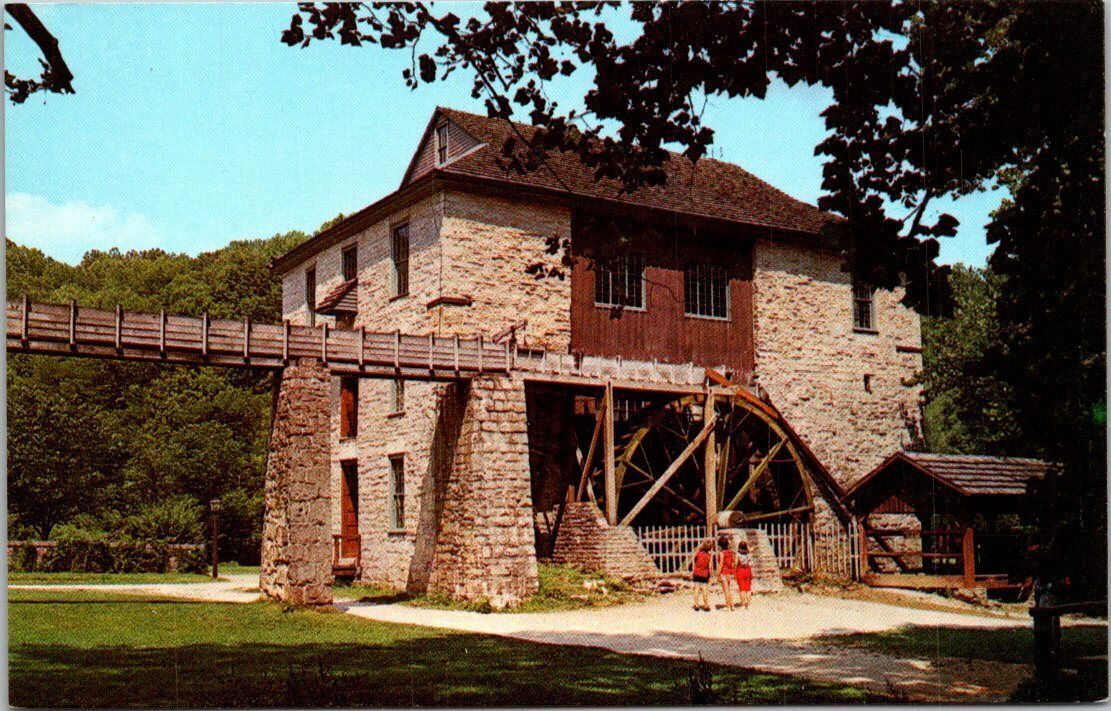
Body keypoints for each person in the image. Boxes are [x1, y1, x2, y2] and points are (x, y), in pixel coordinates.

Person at [691, 539, 714, 611]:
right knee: (704, 589)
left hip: (697, 572)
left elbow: (694, 560)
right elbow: (710, 566)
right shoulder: (709, 555)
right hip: (705, 573)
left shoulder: (698, 553)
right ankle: (706, 604)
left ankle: (696, 604)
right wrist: (711, 575)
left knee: (696, 589)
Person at [716, 535, 736, 611]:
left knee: (726, 590)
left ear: (720, 546)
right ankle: (732, 605)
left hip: (724, 573)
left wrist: (718, 573)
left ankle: (728, 606)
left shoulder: (722, 553)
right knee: (729, 590)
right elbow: (734, 562)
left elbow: (721, 564)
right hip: (730, 572)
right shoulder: (731, 552)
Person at [735, 540, 753, 608]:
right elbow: (750, 561)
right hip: (747, 570)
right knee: (748, 588)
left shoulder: (737, 554)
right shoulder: (748, 554)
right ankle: (748, 603)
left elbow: (736, 563)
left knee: (742, 588)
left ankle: (743, 603)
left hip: (740, 570)